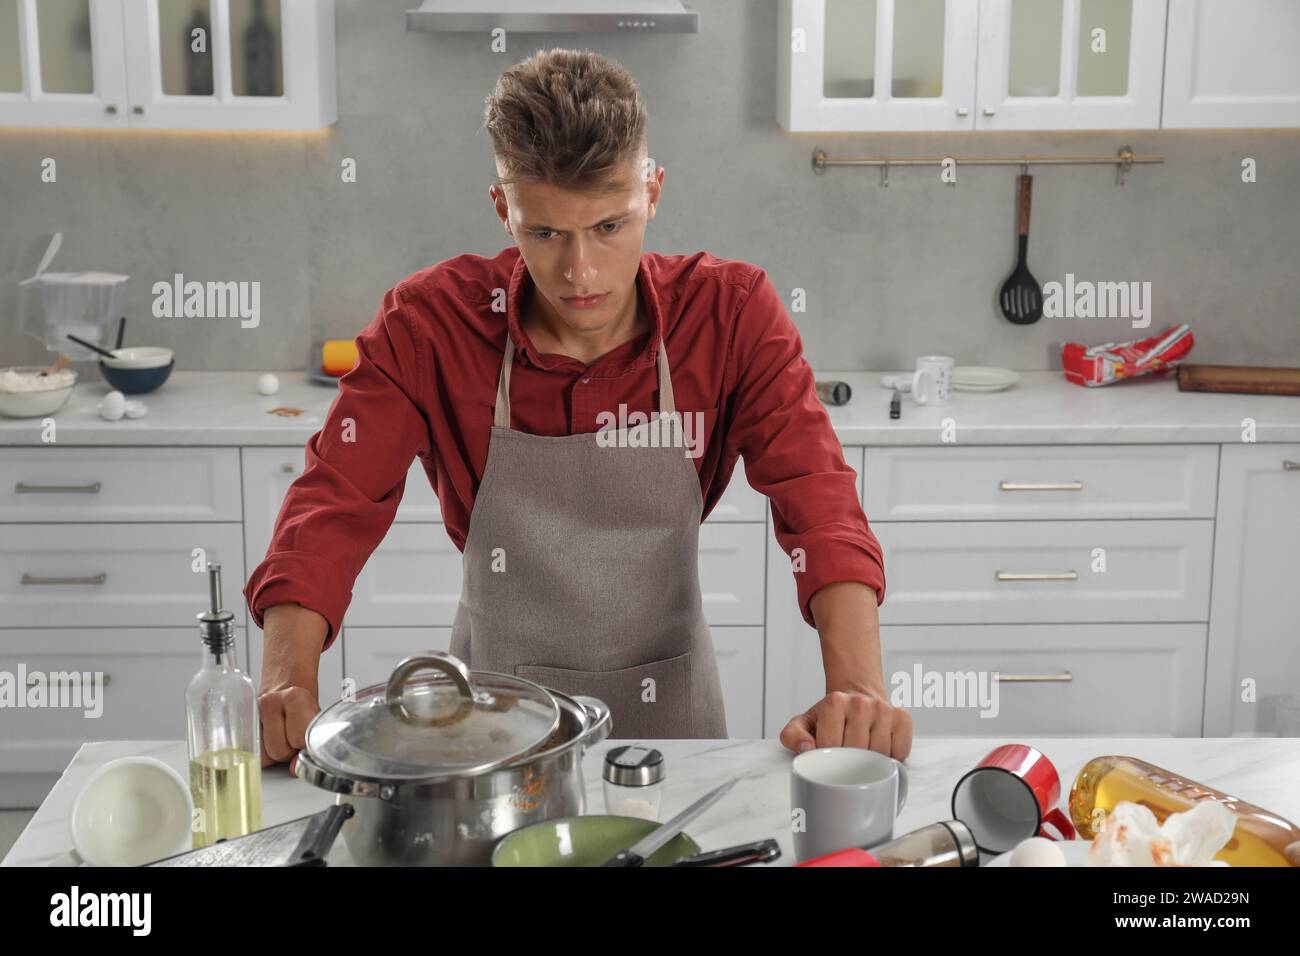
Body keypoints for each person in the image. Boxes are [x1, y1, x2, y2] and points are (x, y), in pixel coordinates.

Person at [245, 48, 911, 770]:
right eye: (546, 233)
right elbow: (332, 503)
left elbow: (819, 499)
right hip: (488, 732)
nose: (580, 272)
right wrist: (288, 678)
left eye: (609, 227)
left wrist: (858, 688)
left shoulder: (731, 313)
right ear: (504, 210)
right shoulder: (430, 324)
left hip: (672, 726)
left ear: (652, 193)